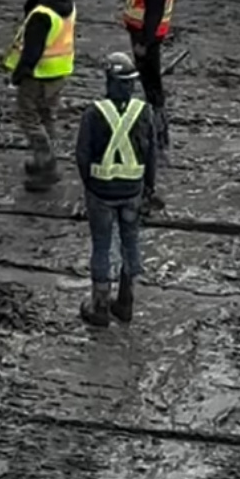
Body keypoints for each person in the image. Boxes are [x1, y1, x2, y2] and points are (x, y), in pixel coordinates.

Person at [74, 50, 157, 327]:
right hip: (132, 191)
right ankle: (125, 303)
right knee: (130, 243)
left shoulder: (93, 113)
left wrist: (90, 184)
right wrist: (149, 188)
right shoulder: (144, 112)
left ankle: (99, 307)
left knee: (101, 246)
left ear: (109, 80)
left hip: (101, 192)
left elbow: (82, 154)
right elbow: (152, 154)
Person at [3, 0, 75, 192]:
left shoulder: (41, 15)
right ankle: (47, 159)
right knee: (47, 117)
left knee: (28, 118)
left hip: (38, 74)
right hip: (59, 72)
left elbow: (32, 51)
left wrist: (18, 74)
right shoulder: (66, 4)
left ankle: (46, 165)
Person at [122, 0, 179, 154]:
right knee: (151, 82)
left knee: (152, 84)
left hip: (147, 34)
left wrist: (144, 41)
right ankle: (158, 130)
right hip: (145, 31)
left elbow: (154, 9)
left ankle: (159, 135)